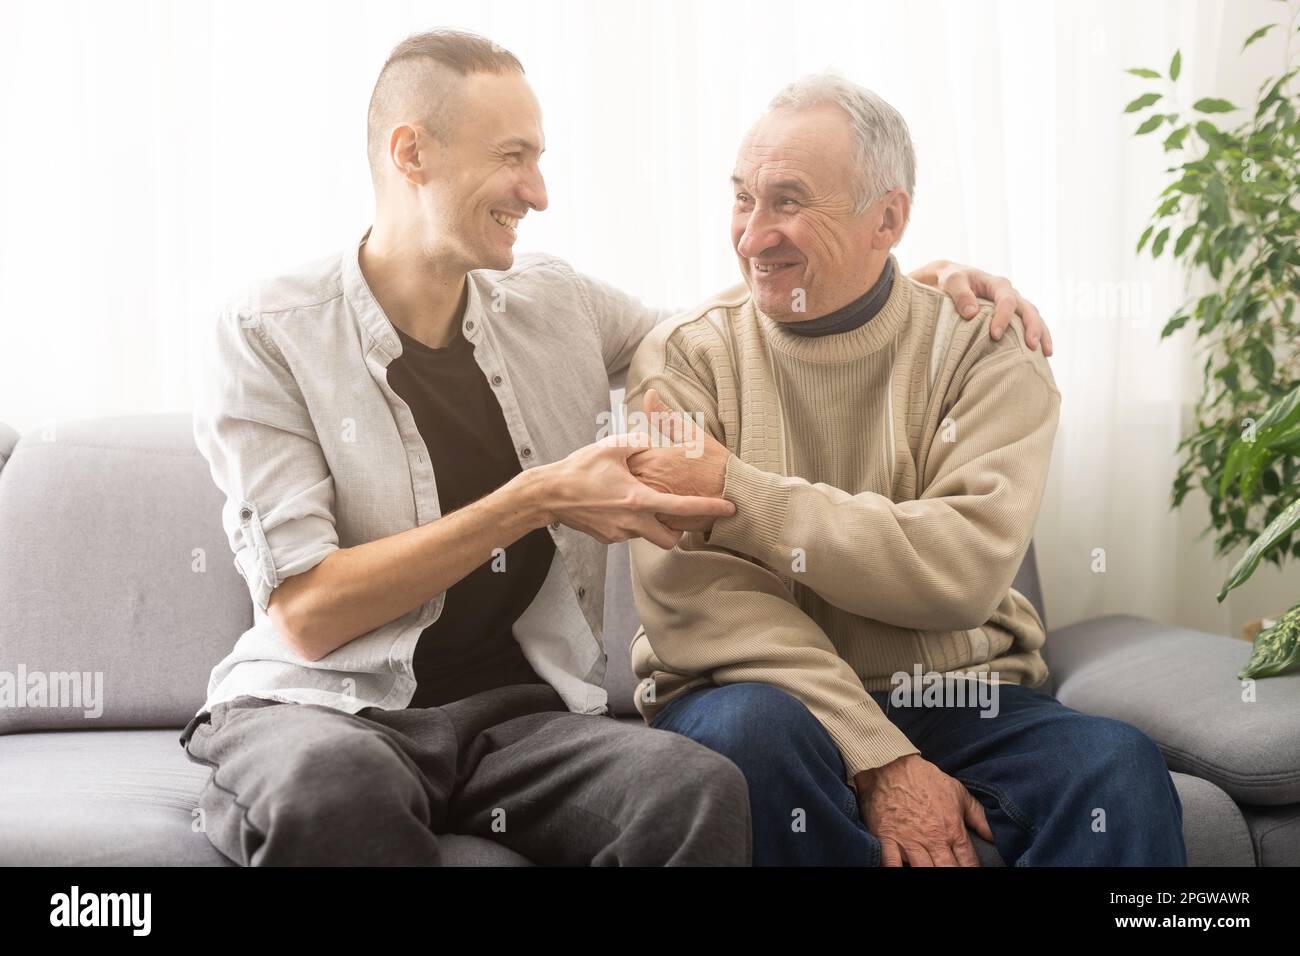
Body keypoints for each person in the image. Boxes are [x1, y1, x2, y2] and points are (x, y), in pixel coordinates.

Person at [183, 30, 1053, 866]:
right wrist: (536, 497)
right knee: (335, 792)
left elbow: (744, 324)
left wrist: (903, 280)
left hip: (518, 724)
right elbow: (306, 612)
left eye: (540, 159)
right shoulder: (269, 333)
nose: (538, 191)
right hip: (328, 710)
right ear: (412, 154)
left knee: (693, 790)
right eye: (513, 156)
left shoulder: (552, 303)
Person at [623, 73, 1184, 867]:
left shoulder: (989, 350)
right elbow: (697, 599)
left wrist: (734, 491)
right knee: (756, 734)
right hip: (758, 700)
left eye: (787, 202)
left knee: (1116, 768)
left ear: (887, 218)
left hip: (955, 698)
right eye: (742, 198)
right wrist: (874, 751)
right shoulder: (684, 359)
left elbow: (958, 572)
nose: (751, 236)